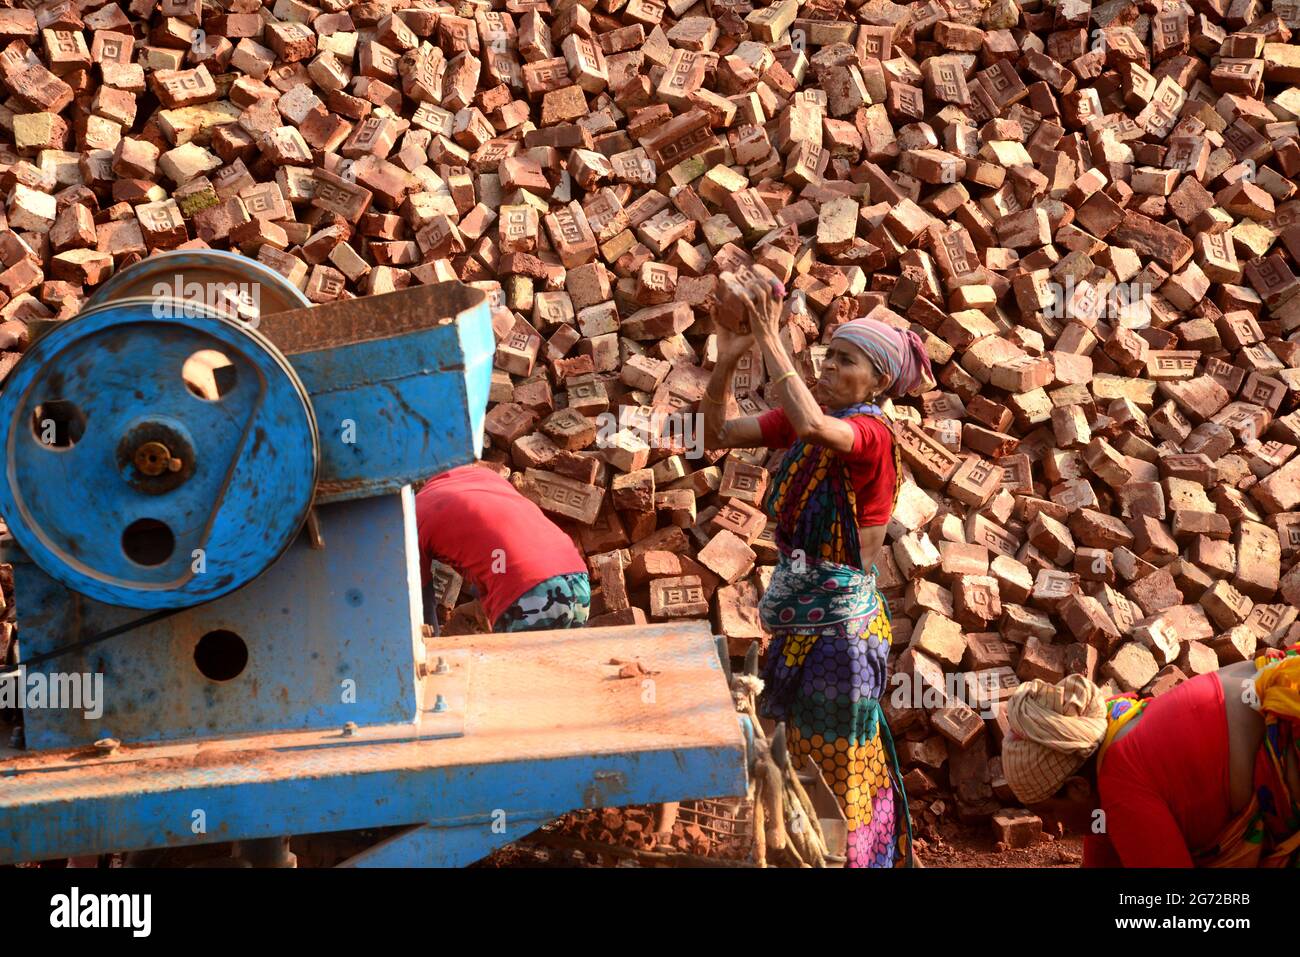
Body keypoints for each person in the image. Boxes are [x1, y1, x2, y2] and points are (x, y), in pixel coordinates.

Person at [702, 271, 936, 868]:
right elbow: (717, 434)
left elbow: (808, 422)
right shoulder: (812, 423)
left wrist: (769, 334)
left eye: (845, 360)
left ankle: (858, 862)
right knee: (797, 753)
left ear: (879, 380)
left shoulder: (869, 433)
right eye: (826, 356)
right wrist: (729, 361)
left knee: (837, 767)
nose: (828, 368)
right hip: (798, 620)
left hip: (842, 636)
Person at [1001, 645, 1300, 867]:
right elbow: (1102, 849)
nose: (1054, 826)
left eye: (1050, 811)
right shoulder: (1112, 722)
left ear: (1078, 787)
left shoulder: (1121, 785)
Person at [416, 464, 590, 633]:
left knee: (521, 663)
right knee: (561, 661)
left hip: (530, 594)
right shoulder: (485, 477)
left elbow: (418, 600)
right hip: (577, 577)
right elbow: (501, 546)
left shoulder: (417, 512)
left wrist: (431, 646)